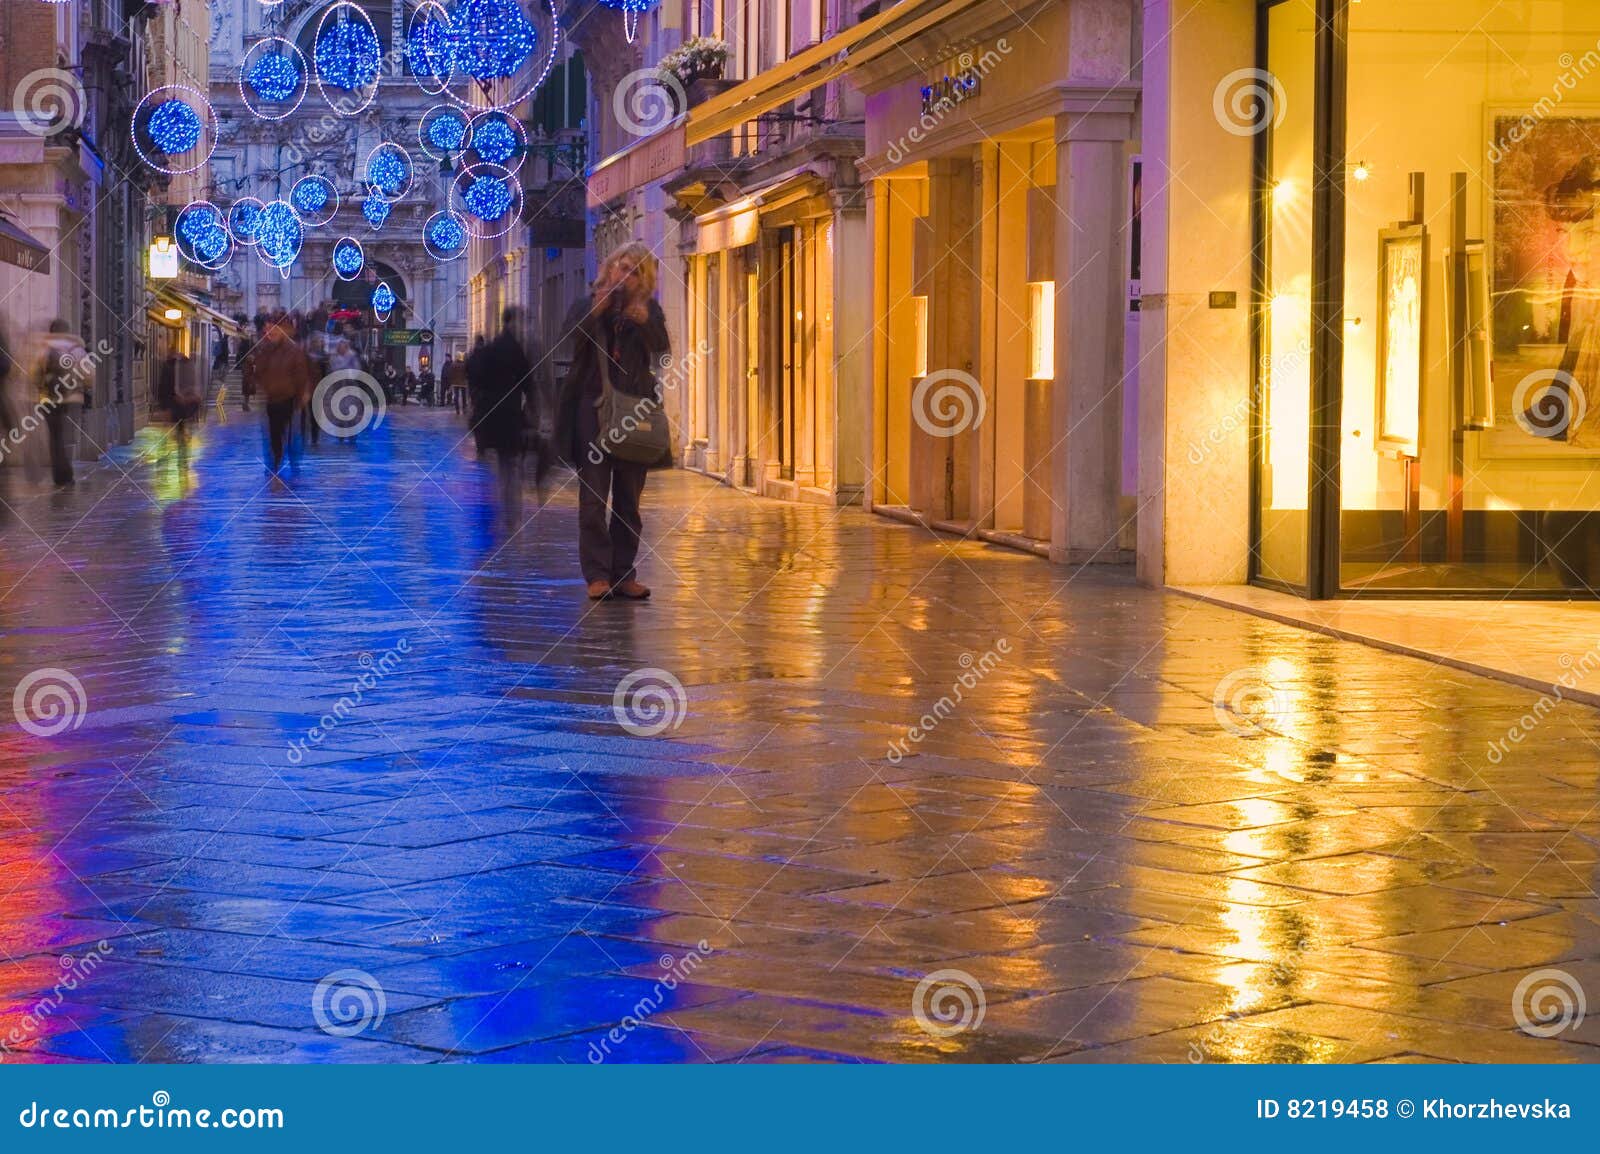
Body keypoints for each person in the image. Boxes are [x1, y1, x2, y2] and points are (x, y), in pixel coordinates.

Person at [560, 242, 670, 601]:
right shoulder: (590, 303)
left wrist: (644, 321)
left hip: (633, 413)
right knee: (593, 498)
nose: (626, 276)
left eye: (635, 271)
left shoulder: (649, 311)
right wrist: (598, 310)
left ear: (645, 279)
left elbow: (662, 351)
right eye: (621, 268)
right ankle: (597, 575)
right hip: (592, 413)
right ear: (609, 269)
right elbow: (568, 339)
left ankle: (624, 574)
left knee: (628, 500)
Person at [475, 307, 544, 528]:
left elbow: (478, 381)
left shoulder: (493, 348)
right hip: (511, 415)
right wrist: (535, 412)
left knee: (506, 464)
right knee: (511, 463)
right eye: (519, 321)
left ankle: (507, 508)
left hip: (494, 416)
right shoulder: (514, 349)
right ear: (511, 322)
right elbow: (528, 383)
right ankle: (512, 512)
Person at [254, 314, 310, 473]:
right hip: (271, 401)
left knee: (292, 437)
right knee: (272, 436)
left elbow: (301, 375)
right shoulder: (265, 350)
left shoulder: (293, 350)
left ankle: (291, 465)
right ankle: (273, 465)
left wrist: (300, 398)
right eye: (267, 329)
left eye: (272, 329)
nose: (268, 332)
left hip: (290, 401)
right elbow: (259, 373)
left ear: (283, 329)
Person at [36, 319, 88, 487]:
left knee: (55, 438)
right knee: (67, 437)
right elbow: (89, 375)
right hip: (71, 399)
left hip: (48, 399)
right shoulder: (76, 349)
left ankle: (60, 475)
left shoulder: (43, 348)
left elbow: (33, 373)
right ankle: (67, 473)